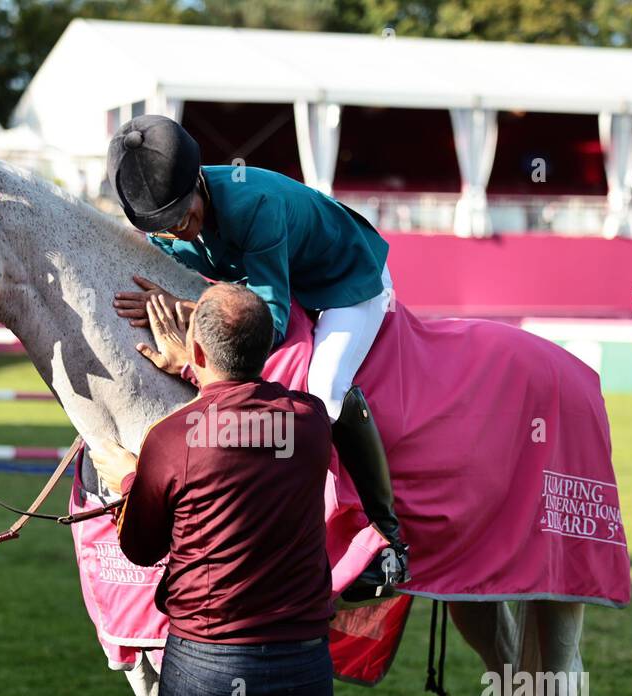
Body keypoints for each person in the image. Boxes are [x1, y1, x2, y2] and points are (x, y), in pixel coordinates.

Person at [105, 114, 407, 603]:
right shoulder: (164, 221)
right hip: (282, 281)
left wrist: (181, 308)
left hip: (345, 282)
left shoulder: (254, 204)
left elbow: (269, 321)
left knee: (325, 389)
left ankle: (389, 542)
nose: (181, 233)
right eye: (166, 228)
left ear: (199, 180)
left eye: (186, 216)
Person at [87, 282, 337, 696]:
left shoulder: (170, 439)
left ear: (195, 353)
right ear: (270, 346)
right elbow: (246, 427)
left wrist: (129, 479)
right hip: (301, 661)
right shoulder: (310, 421)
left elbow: (143, 548)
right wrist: (202, 376)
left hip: (206, 663)